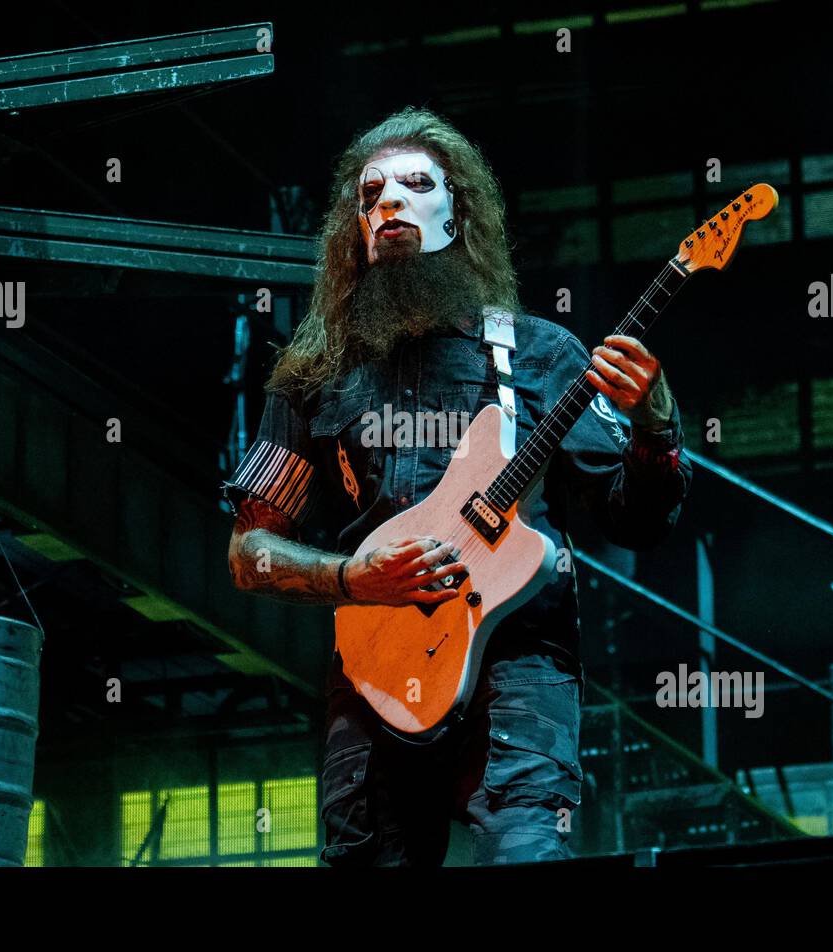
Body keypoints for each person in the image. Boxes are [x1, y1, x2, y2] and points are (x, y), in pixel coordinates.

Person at [224, 106, 691, 865]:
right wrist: (351, 576)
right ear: (353, 231)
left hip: (518, 663)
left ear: (458, 211)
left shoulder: (539, 355)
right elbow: (251, 553)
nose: (389, 204)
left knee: (527, 852)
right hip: (374, 670)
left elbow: (635, 522)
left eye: (414, 185)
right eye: (369, 194)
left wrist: (656, 427)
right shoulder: (312, 376)